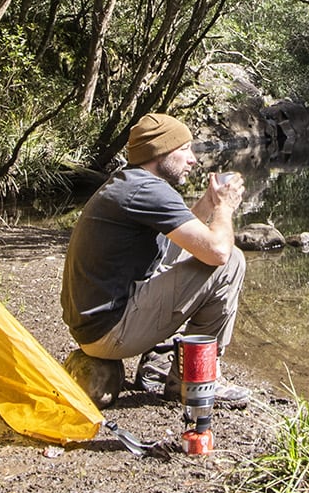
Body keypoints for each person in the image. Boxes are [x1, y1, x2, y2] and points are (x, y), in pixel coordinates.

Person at [60, 112, 252, 409]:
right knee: (230, 262)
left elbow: (183, 238)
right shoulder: (146, 190)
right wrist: (225, 209)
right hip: (110, 332)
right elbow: (218, 251)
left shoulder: (131, 183)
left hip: (93, 325)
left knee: (187, 253)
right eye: (184, 149)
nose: (193, 159)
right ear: (160, 151)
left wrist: (209, 204)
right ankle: (197, 377)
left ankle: (160, 366)